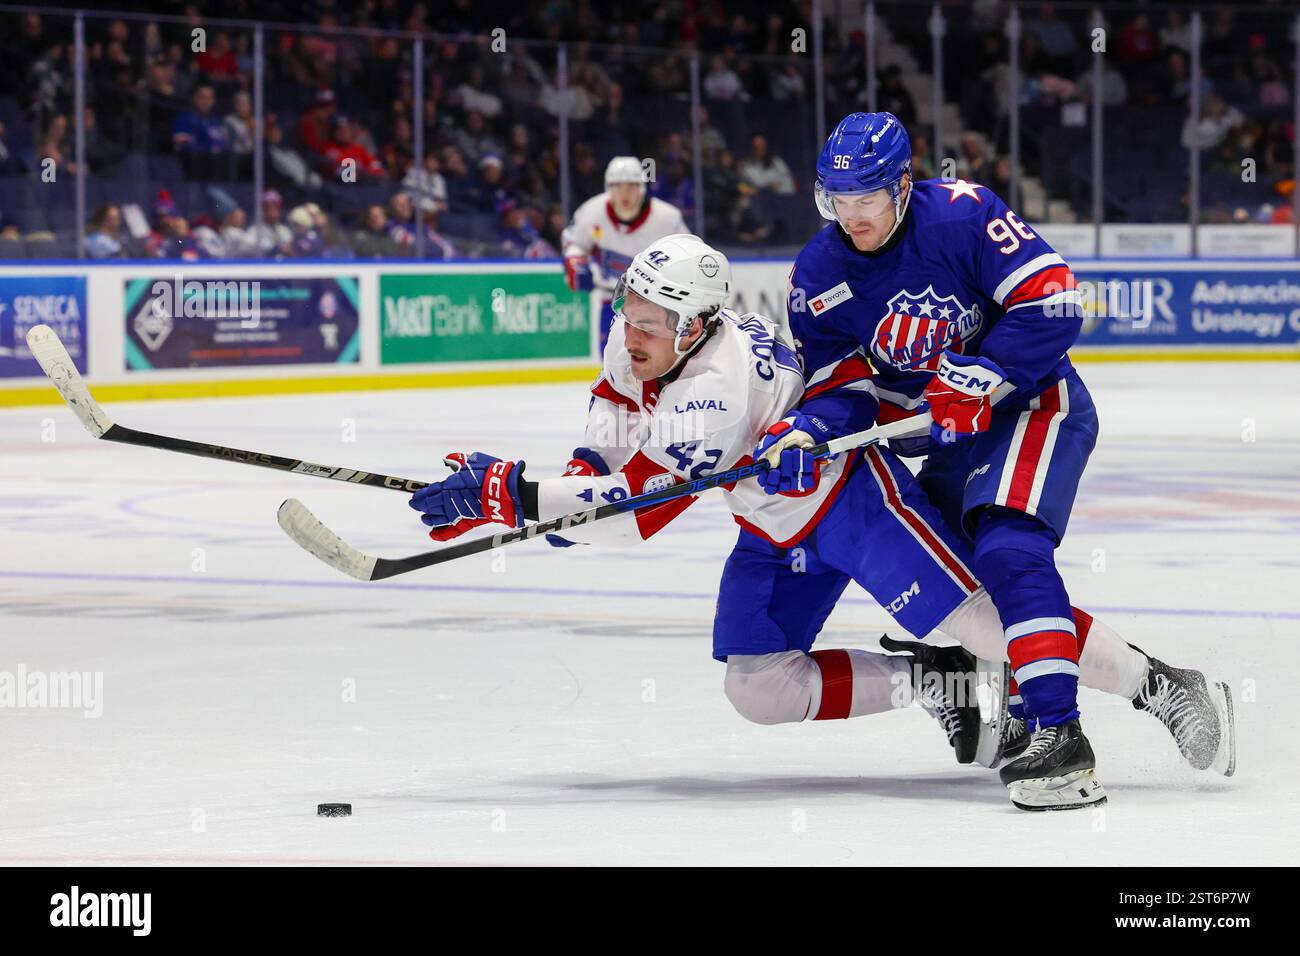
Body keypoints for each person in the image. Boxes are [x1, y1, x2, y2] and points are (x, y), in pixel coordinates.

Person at [405, 235, 1236, 803]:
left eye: (653, 321)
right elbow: (610, 435)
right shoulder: (641, 339)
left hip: (852, 503)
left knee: (988, 622)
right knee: (758, 687)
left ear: (697, 325)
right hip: (771, 524)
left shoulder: (712, 390)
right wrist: (559, 485)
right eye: (632, 310)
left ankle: (1162, 684)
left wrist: (507, 495)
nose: (635, 329)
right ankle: (933, 682)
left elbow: (635, 517)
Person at [755, 112, 1235, 809]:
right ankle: (1159, 686)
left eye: (867, 197)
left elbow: (1056, 299)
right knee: (967, 593)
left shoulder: (962, 214)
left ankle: (1059, 735)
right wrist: (808, 429)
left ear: (903, 186)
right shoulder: (817, 274)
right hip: (952, 439)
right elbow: (839, 389)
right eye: (837, 199)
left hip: (1032, 406)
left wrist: (991, 371)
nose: (851, 215)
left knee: (1010, 552)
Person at [560, 156, 688, 352]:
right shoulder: (591, 212)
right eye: (617, 186)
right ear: (608, 188)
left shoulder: (666, 219)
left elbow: (688, 254)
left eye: (631, 186)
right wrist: (576, 263)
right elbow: (574, 243)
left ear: (641, 188)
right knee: (611, 364)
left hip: (656, 305)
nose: (624, 193)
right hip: (612, 302)